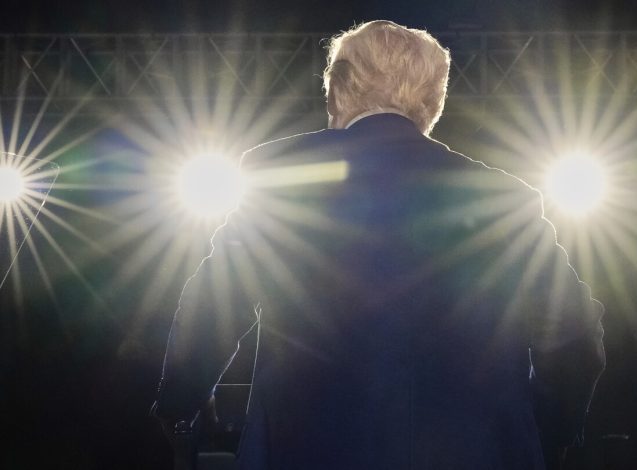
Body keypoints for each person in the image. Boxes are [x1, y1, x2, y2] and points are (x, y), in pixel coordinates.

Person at [153, 20, 605, 470]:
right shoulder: (504, 198)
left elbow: (210, 311)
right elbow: (574, 337)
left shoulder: (278, 178)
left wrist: (179, 407)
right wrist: (547, 432)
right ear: (431, 103)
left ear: (337, 92)